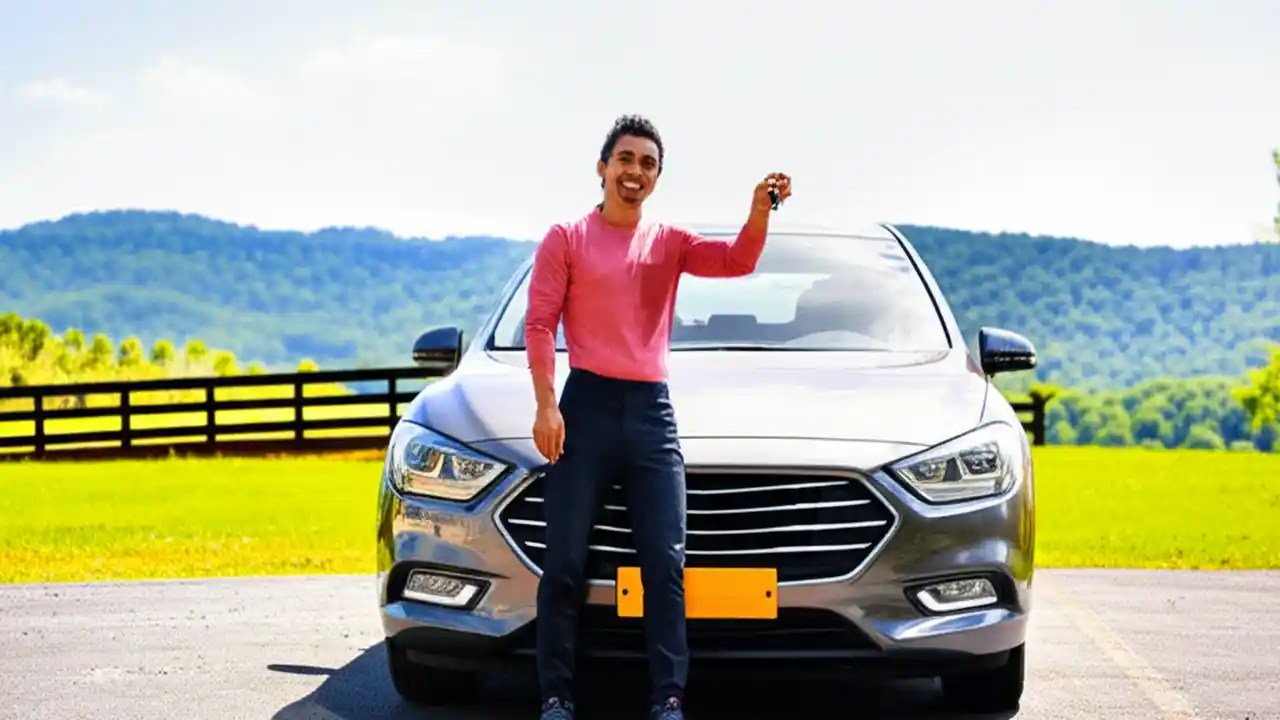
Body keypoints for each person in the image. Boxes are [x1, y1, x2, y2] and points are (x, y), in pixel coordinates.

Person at [523, 114, 792, 720]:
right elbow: (540, 324)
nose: (634, 171)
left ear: (657, 177)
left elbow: (736, 262)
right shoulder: (566, 237)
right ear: (602, 168)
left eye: (647, 163)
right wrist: (545, 403)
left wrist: (759, 210)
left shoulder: (668, 241)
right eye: (625, 159)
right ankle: (556, 695)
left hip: (651, 413)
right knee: (564, 562)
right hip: (584, 406)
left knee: (664, 564)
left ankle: (667, 697)